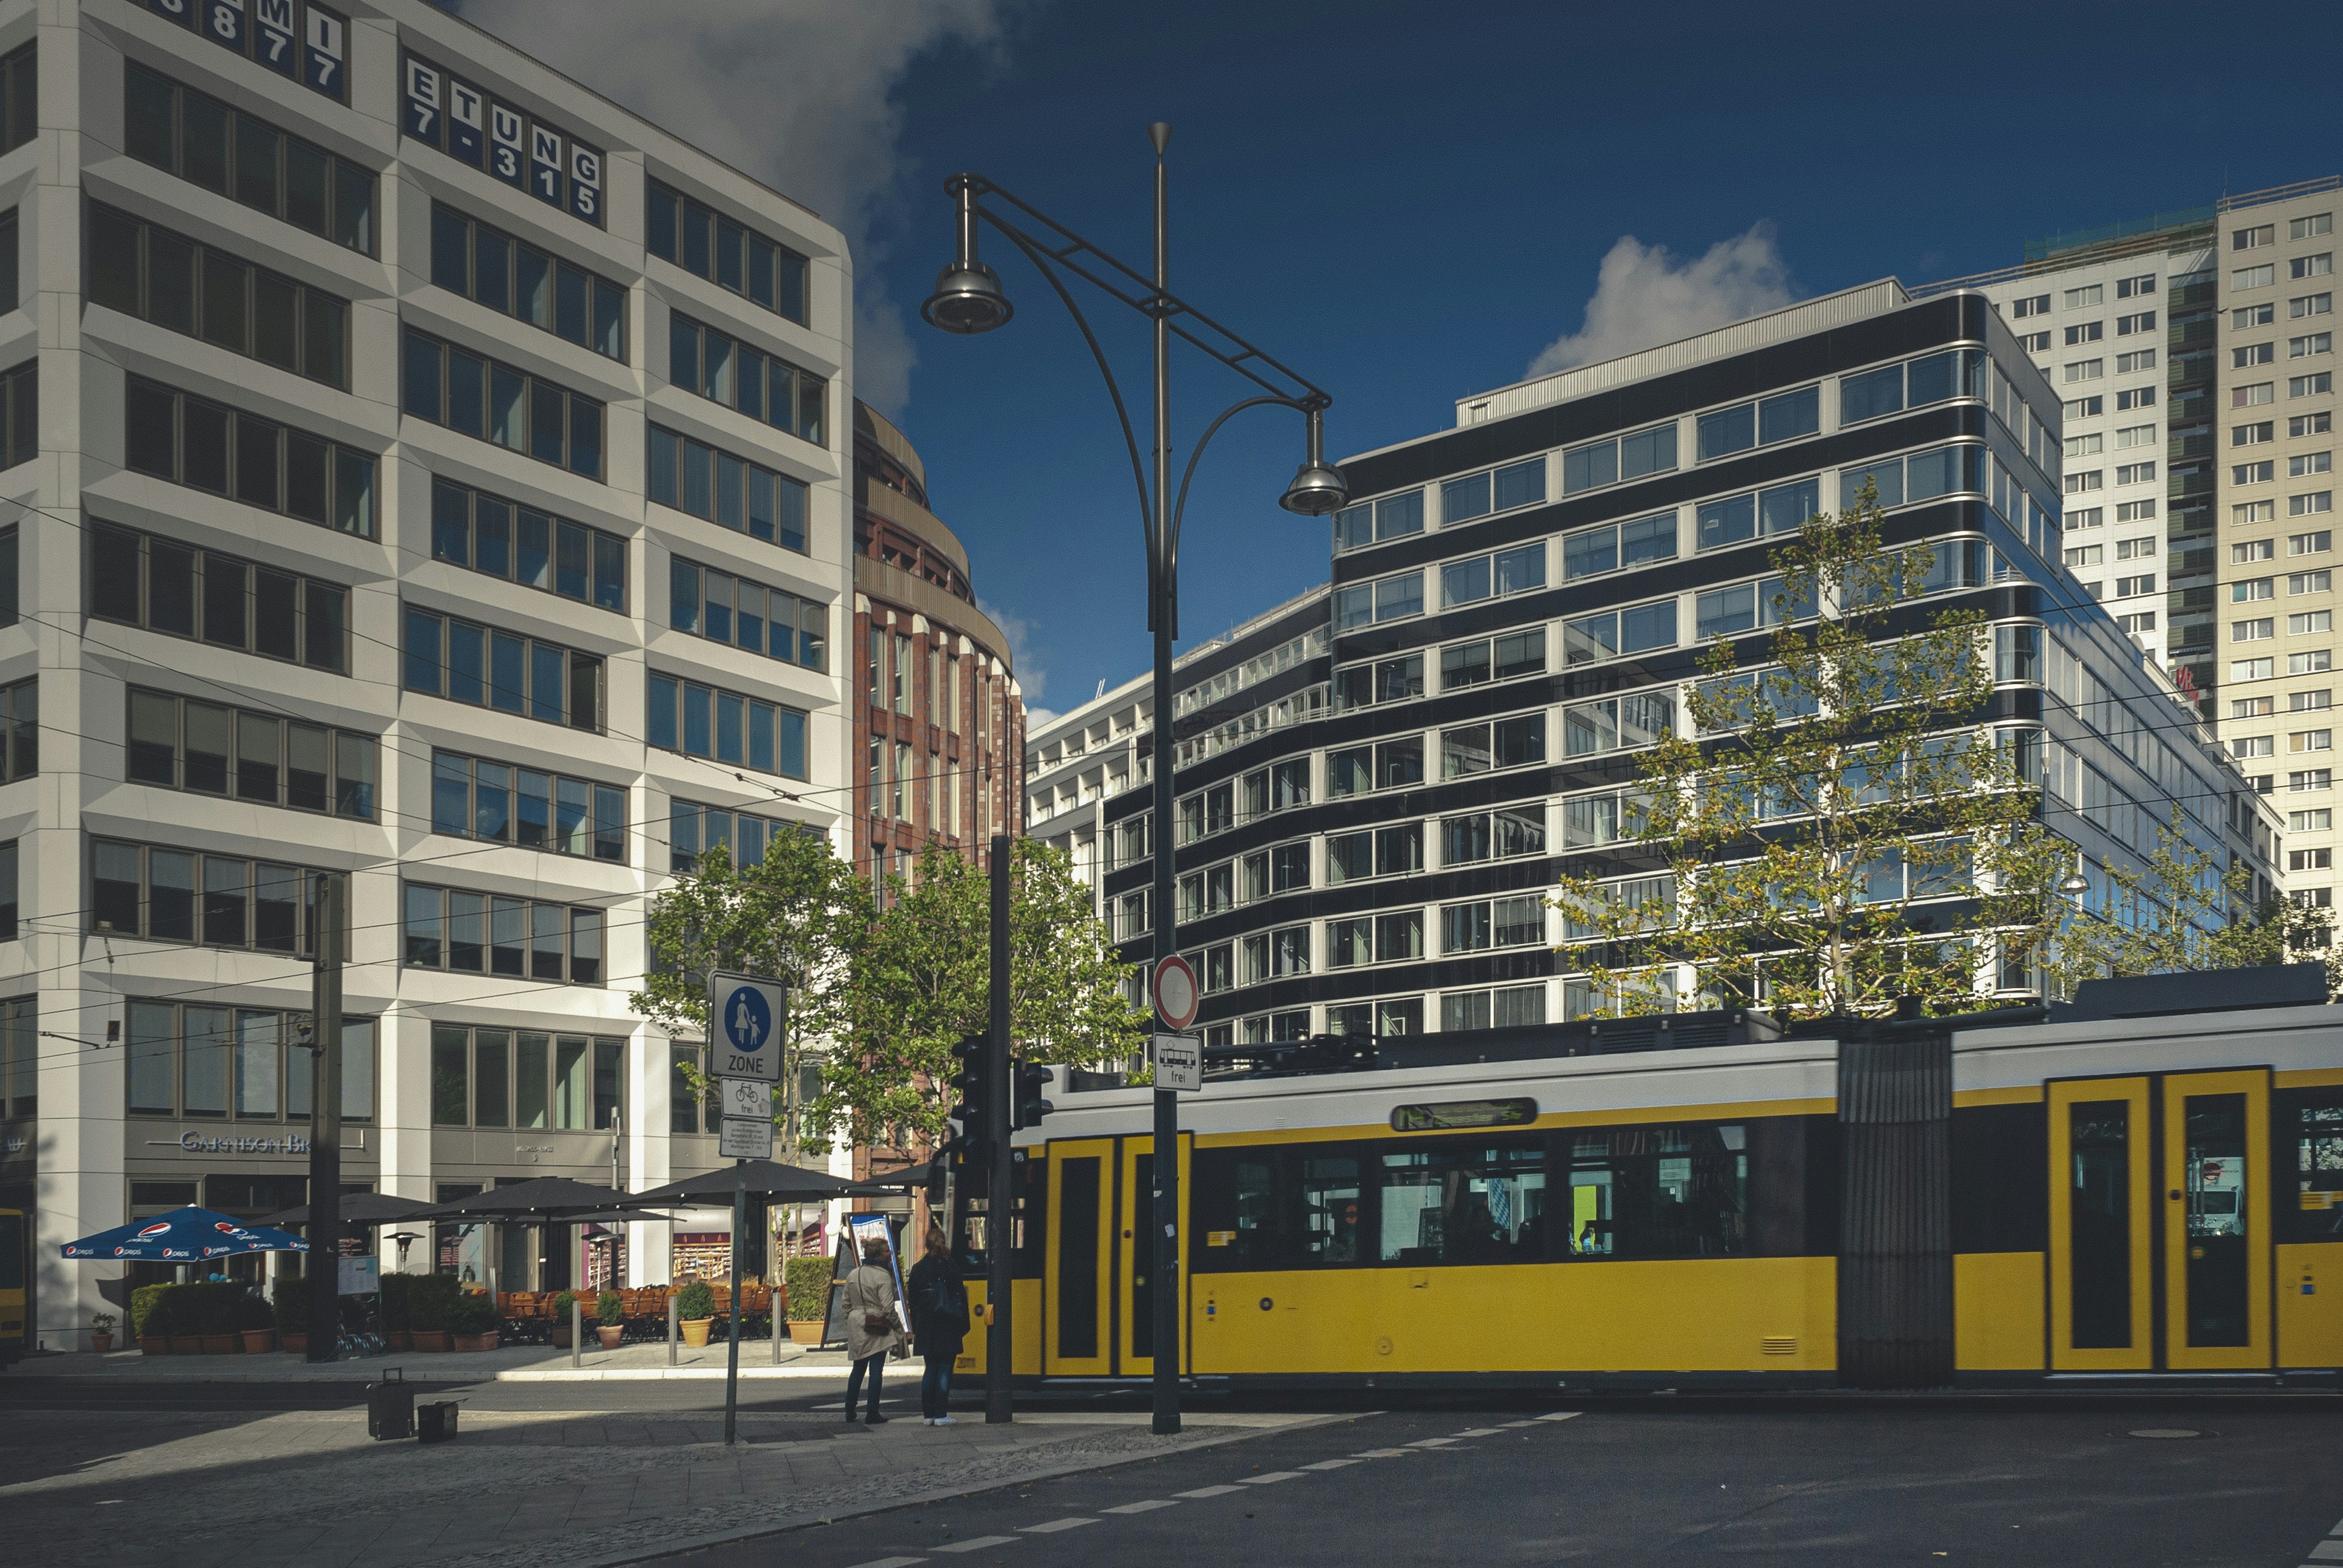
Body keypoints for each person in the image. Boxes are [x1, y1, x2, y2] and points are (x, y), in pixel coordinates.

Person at [905, 1223, 968, 1425]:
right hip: (948, 1324)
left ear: (926, 1244)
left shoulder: (918, 1269)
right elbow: (961, 1297)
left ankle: (928, 1415)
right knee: (945, 1369)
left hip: (926, 1325)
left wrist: (916, 1326)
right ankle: (942, 1414)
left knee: (930, 1368)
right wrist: (963, 1324)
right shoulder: (951, 1266)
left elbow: (913, 1302)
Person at [841, 1234, 902, 1424]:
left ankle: (850, 1410)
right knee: (876, 1370)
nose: (890, 1253)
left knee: (858, 1369)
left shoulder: (854, 1273)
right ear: (879, 1255)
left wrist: (852, 1320)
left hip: (856, 1322)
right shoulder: (883, 1275)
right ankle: (872, 1412)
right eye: (887, 1251)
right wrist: (899, 1328)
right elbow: (888, 1307)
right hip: (877, 1323)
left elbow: (845, 1303)